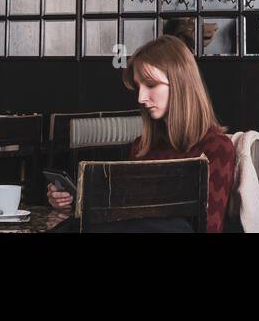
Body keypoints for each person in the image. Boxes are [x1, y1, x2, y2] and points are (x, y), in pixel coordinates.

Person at [47, 36, 236, 231]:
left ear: (180, 84)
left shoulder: (216, 147)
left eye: (151, 85)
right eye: (139, 87)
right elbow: (119, 214)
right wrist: (72, 204)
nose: (141, 98)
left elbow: (209, 228)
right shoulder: (141, 146)